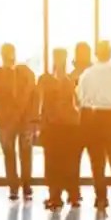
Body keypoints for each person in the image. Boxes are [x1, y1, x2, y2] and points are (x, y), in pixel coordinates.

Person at [76, 40, 111, 214]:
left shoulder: (87, 74)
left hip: (91, 117)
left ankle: (101, 200)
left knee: (97, 162)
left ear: (96, 54)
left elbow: (80, 97)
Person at [0, 43, 38, 201]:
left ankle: (23, 186)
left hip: (21, 121)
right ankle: (16, 187)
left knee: (22, 154)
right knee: (12, 154)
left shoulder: (25, 72)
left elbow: (35, 97)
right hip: (6, 121)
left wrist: (35, 120)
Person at [37, 48, 81, 211]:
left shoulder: (54, 80)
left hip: (60, 125)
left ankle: (60, 195)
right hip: (62, 125)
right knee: (64, 161)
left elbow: (41, 104)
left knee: (57, 161)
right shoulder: (66, 80)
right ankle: (67, 195)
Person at [68, 41, 95, 207]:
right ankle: (98, 196)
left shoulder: (72, 75)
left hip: (76, 122)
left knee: (74, 160)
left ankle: (74, 194)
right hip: (90, 120)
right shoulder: (92, 74)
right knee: (95, 159)